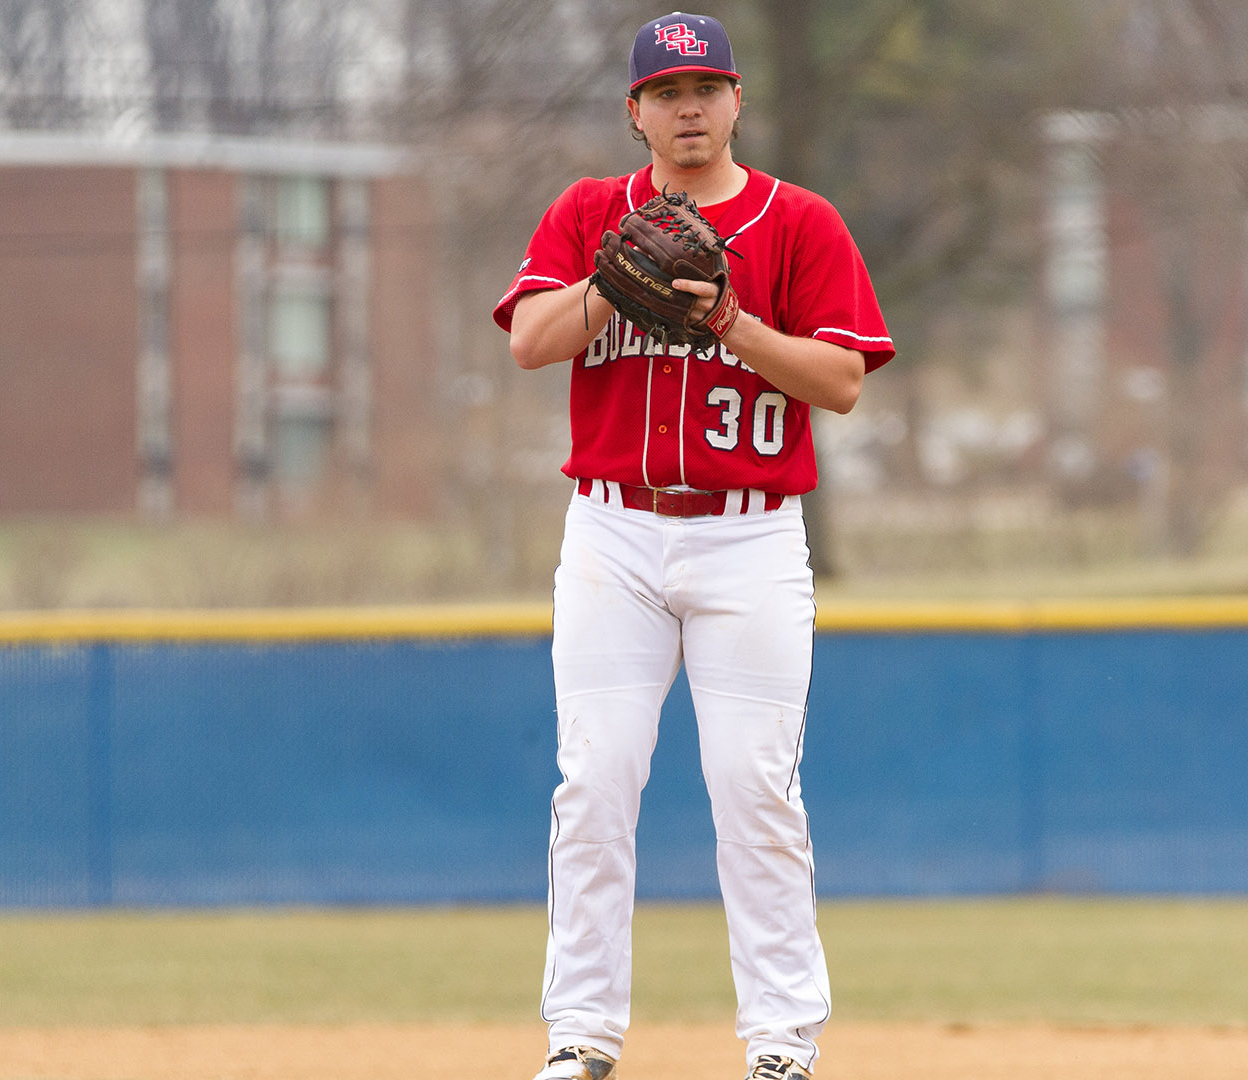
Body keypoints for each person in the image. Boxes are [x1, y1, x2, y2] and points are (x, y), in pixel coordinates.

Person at [491, 12, 893, 1080]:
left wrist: (733, 324)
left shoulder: (799, 222)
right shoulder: (589, 214)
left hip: (748, 540)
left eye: (707, 88)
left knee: (754, 788)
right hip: (613, 531)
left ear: (737, 102)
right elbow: (531, 341)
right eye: (668, 93)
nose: (689, 109)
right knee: (595, 782)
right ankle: (581, 1037)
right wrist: (603, 286)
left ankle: (780, 1045)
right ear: (635, 113)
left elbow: (843, 382)